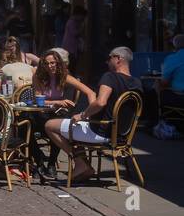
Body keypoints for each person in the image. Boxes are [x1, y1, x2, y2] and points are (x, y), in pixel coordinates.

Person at [44, 47, 142, 184]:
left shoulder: (110, 77)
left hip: (99, 131)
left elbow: (101, 102)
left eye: (109, 58)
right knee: (73, 126)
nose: (107, 62)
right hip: (122, 134)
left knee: (50, 125)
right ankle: (82, 163)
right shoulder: (137, 83)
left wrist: (83, 115)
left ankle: (80, 163)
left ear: (118, 59)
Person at [31, 48, 95, 109]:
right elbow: (38, 101)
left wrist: (91, 111)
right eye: (46, 63)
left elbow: (90, 93)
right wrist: (56, 102)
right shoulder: (38, 77)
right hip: (41, 112)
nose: (49, 66)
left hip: (58, 112)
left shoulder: (65, 77)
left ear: (58, 63)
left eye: (52, 63)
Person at [160, 34, 184, 113]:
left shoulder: (172, 59)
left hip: (179, 97)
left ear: (174, 46)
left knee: (158, 87)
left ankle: (159, 119)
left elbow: (164, 83)